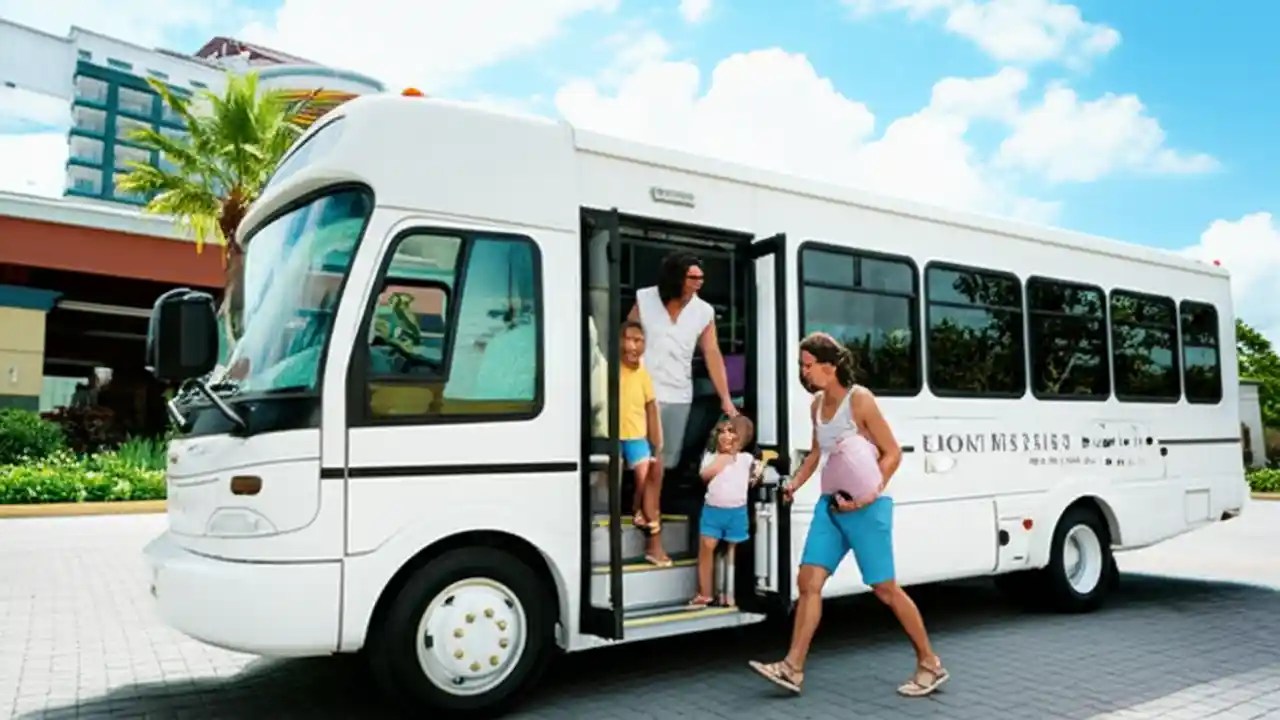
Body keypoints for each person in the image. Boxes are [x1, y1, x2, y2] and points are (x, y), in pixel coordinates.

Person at [748, 332, 949, 698]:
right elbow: (815, 454)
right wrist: (794, 484)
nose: (803, 372)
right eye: (801, 365)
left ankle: (930, 664)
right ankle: (792, 668)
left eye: (807, 365)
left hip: (866, 509)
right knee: (808, 582)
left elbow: (891, 453)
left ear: (830, 365)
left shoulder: (860, 401)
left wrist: (870, 493)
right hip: (831, 508)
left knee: (885, 589)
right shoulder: (817, 406)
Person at [628, 250, 738, 479]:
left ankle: (651, 509)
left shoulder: (703, 311)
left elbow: (712, 353)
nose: (698, 284)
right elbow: (627, 339)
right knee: (638, 459)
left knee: (664, 462)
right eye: (692, 278)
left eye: (700, 279)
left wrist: (726, 398)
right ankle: (642, 509)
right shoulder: (645, 299)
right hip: (642, 392)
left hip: (678, 395)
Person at [690, 414, 760, 608]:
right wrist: (724, 459)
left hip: (736, 512)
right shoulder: (712, 457)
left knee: (731, 553)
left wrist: (757, 473)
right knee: (707, 548)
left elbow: (753, 479)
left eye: (731, 432)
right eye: (721, 431)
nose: (725, 436)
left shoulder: (746, 459)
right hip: (713, 511)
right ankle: (705, 592)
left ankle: (729, 594)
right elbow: (704, 475)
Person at [618, 320, 671, 566]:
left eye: (638, 341)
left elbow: (651, 408)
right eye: (628, 339)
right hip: (611, 437)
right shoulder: (610, 370)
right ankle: (638, 513)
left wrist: (657, 442)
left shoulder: (643, 374)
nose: (632, 345)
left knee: (645, 475)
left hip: (636, 437)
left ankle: (639, 511)